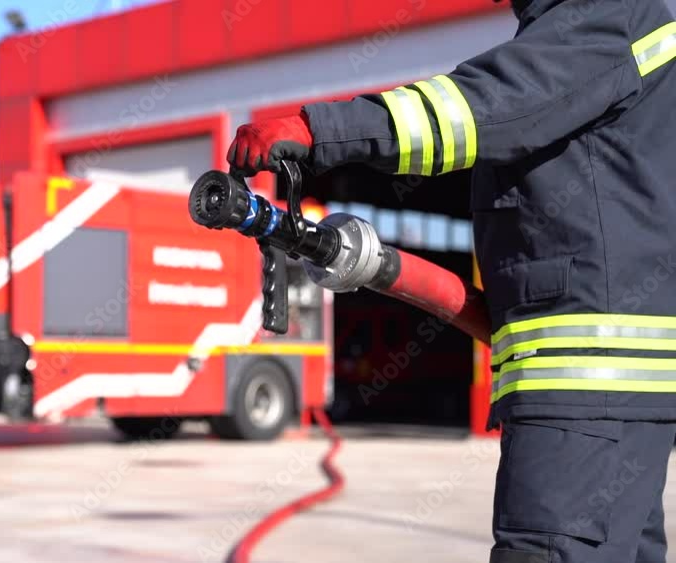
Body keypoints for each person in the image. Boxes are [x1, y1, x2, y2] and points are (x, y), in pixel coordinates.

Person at [226, 1, 676, 561]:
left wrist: (320, 131)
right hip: (611, 402)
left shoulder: (606, 12)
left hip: (582, 400)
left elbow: (482, 108)